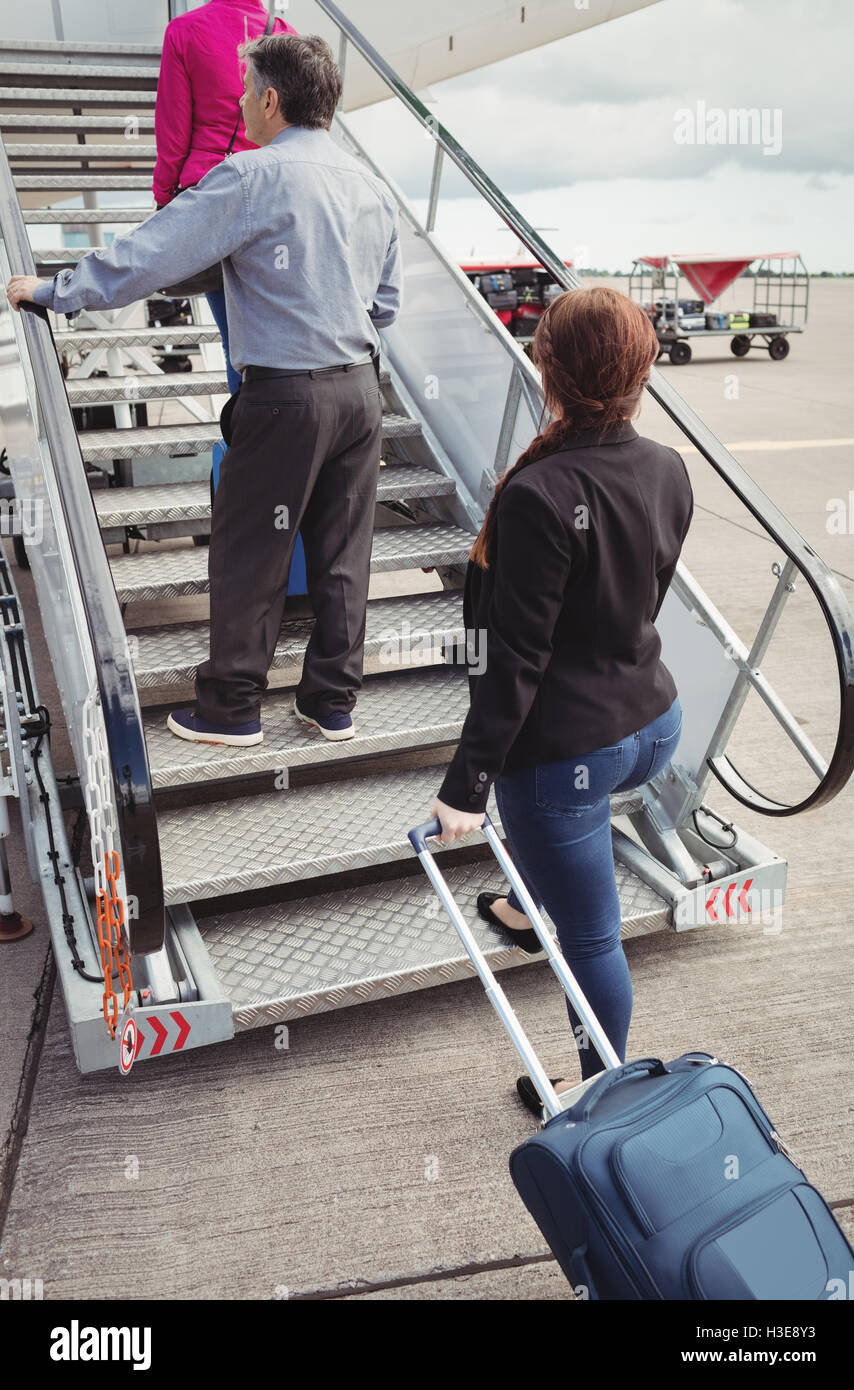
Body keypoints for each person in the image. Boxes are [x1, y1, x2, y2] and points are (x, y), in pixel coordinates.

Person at [7, 34, 402, 749]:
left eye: (248, 91)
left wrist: (55, 290)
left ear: (273, 100)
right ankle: (332, 703)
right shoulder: (369, 185)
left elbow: (149, 254)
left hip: (287, 398)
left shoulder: (250, 177)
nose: (242, 103)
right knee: (344, 553)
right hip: (359, 392)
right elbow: (386, 303)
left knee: (253, 550)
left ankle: (230, 709)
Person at [427, 287, 694, 1116]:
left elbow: (514, 664)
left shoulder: (540, 494)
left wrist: (465, 789)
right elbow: (645, 595)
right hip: (655, 721)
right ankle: (522, 899)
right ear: (642, 373)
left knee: (591, 938)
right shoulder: (667, 468)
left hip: (572, 751)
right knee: (562, 848)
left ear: (546, 368)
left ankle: (598, 1087)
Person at [153, 0, 297, 393]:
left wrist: (166, 197)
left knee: (238, 341)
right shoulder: (283, 30)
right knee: (270, 335)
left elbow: (173, 126)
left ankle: (248, 445)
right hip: (274, 194)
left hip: (212, 196)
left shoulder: (184, 31)